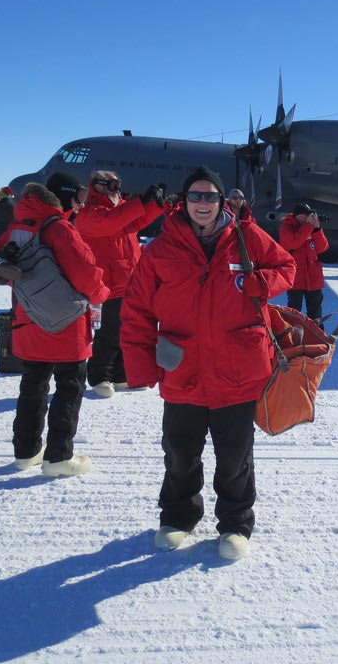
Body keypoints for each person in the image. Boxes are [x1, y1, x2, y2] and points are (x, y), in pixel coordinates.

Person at [121, 166, 295, 560]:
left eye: (210, 196)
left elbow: (287, 267)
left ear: (222, 201)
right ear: (183, 202)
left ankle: (235, 524)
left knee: (234, 455)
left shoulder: (247, 237)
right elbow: (136, 311)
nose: (203, 204)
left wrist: (262, 284)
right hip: (183, 368)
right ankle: (178, 517)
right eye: (195, 196)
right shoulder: (160, 250)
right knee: (180, 451)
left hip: (238, 370)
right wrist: (142, 369)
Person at [0, 179, 109, 477]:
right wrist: (103, 295)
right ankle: (59, 457)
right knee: (69, 387)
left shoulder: (17, 227)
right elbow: (85, 273)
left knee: (32, 385)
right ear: (60, 199)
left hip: (28, 317)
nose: (79, 202)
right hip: (65, 323)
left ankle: (26, 452)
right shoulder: (58, 228)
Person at [75, 170, 164, 398]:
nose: (117, 190)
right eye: (112, 185)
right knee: (110, 331)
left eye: (118, 185)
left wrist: (159, 204)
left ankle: (120, 374)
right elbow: (111, 224)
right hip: (108, 283)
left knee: (129, 329)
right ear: (98, 186)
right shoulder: (90, 214)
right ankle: (99, 376)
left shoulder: (121, 209)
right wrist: (140, 202)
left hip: (130, 278)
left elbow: (138, 221)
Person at [279, 202, 329, 322]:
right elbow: (294, 243)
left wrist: (317, 229)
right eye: (309, 215)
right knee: (294, 313)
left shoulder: (311, 228)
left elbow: (322, 248)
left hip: (313, 279)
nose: (311, 218)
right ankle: (292, 338)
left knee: (316, 314)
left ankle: (317, 338)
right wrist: (309, 226)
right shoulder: (286, 228)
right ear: (301, 216)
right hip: (296, 279)